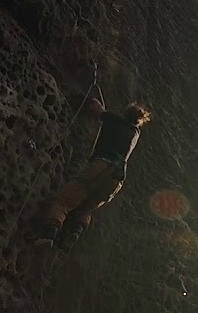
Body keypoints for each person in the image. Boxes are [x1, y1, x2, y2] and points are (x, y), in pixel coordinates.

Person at [32, 99, 152, 248]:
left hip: (100, 166)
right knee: (86, 209)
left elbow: (96, 109)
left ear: (125, 114)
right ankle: (75, 231)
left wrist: (94, 102)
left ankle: (48, 235)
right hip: (116, 179)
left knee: (63, 202)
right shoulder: (135, 133)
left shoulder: (113, 120)